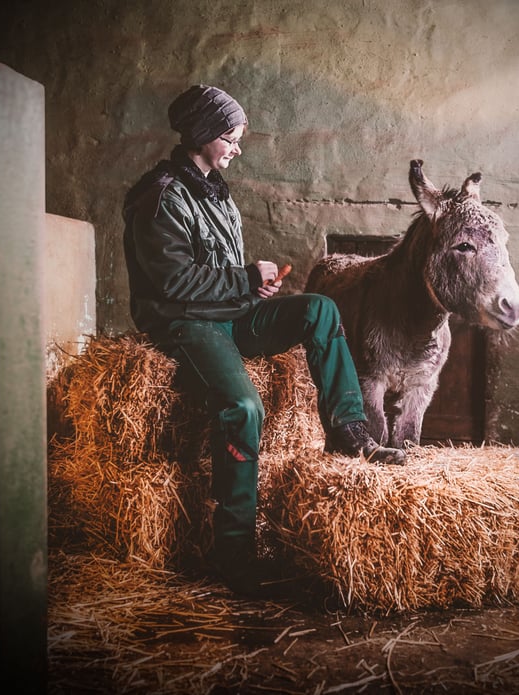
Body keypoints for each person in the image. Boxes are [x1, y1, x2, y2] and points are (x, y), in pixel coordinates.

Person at [122, 84, 405, 595]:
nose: (236, 148)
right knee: (244, 408)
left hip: (231, 312)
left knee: (319, 308)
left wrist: (254, 288)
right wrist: (246, 277)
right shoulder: (162, 195)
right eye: (230, 137)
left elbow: (219, 272)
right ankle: (234, 554)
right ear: (203, 134)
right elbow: (174, 283)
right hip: (187, 322)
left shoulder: (214, 189)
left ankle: (349, 429)